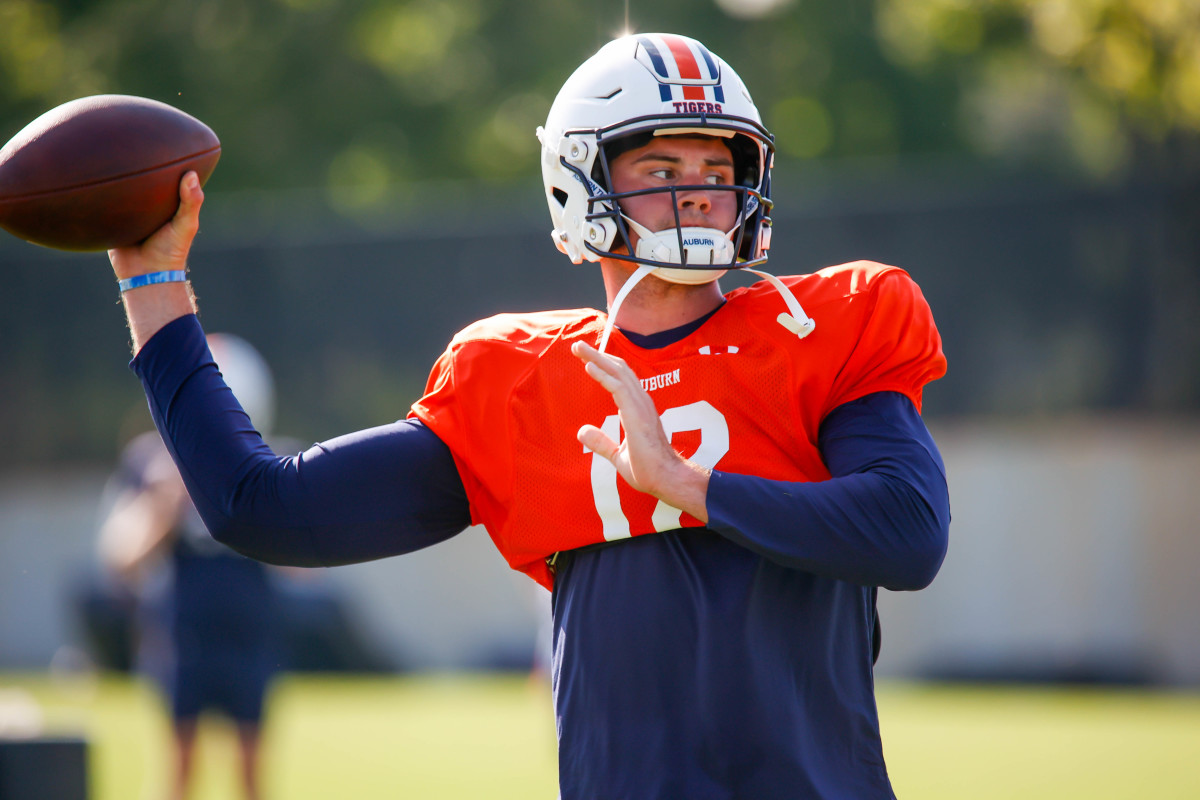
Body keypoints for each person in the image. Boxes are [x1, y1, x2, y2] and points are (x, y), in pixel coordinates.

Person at [106, 32, 949, 799]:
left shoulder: (828, 324)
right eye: (660, 172)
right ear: (578, 185)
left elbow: (909, 532)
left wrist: (690, 486)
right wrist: (154, 284)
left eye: (716, 169)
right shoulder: (517, 378)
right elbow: (264, 510)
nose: (697, 195)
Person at [97, 334, 282, 800]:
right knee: (177, 771)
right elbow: (121, 556)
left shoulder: (271, 461)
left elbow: (308, 565)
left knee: (252, 775)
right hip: (182, 634)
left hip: (248, 633)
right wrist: (167, 499)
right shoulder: (152, 461)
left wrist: (271, 509)